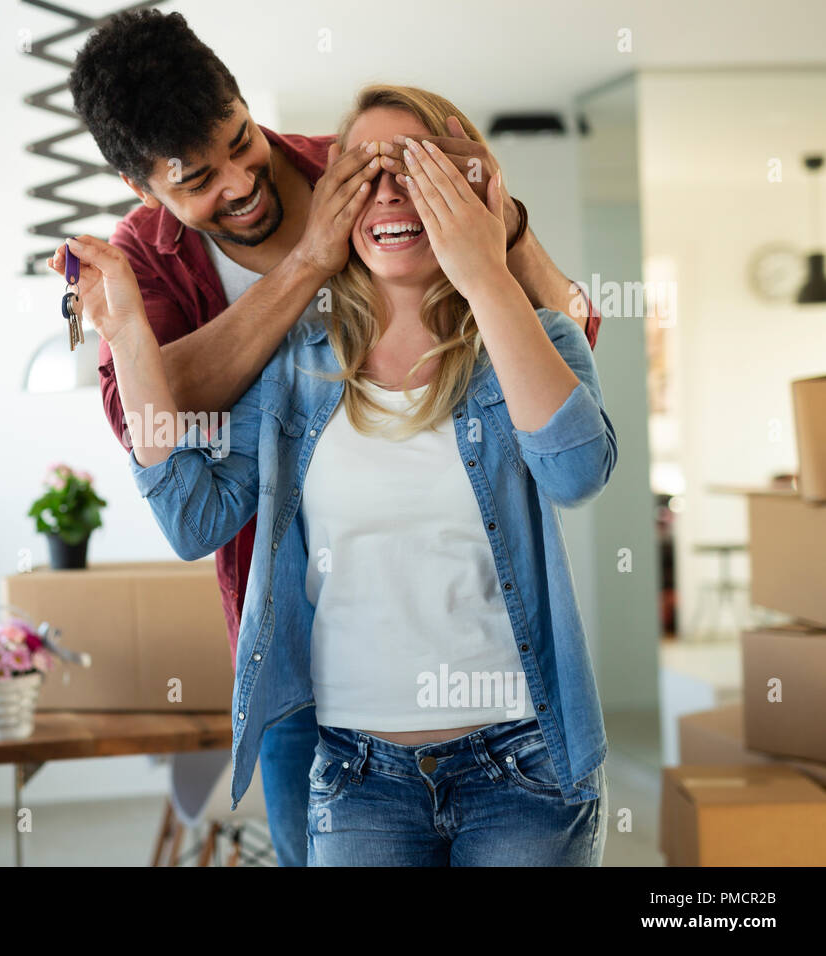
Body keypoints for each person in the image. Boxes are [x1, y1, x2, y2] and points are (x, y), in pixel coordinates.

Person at [64, 9, 602, 867]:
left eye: (241, 140)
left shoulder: (353, 165)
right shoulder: (161, 271)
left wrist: (498, 225)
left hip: (515, 728)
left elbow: (569, 365)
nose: (242, 180)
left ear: (243, 101)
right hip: (303, 668)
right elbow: (163, 420)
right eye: (200, 179)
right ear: (144, 190)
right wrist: (306, 263)